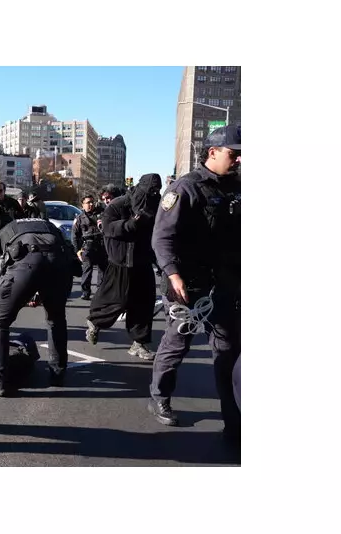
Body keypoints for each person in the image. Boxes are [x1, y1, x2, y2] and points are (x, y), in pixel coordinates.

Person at [148, 125, 241, 451]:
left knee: (228, 352)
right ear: (212, 152)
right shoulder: (186, 188)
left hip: (227, 283)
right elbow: (162, 238)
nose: (240, 159)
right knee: (177, 342)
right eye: (234, 153)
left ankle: (235, 425)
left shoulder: (240, 188)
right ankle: (159, 396)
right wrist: (173, 276)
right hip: (188, 283)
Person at [0, 218, 79, 394]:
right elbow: (65, 255)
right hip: (59, 266)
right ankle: (58, 374)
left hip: (25, 267)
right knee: (56, 318)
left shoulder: (3, 232)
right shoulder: (47, 225)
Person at [85, 174, 162, 361]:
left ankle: (139, 343)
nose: (153, 194)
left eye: (156, 191)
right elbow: (108, 229)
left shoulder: (154, 205)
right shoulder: (118, 205)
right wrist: (132, 224)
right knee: (115, 300)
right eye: (150, 190)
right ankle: (95, 322)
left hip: (143, 262)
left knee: (144, 304)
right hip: (120, 262)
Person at [73, 193, 107, 300]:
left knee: (103, 271)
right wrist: (78, 251)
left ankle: (100, 292)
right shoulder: (79, 218)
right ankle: (85, 292)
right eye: (88, 203)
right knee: (87, 271)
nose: (91, 204)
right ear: (82, 205)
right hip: (88, 246)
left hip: (101, 246)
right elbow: (74, 236)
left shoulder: (101, 215)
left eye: (92, 202)